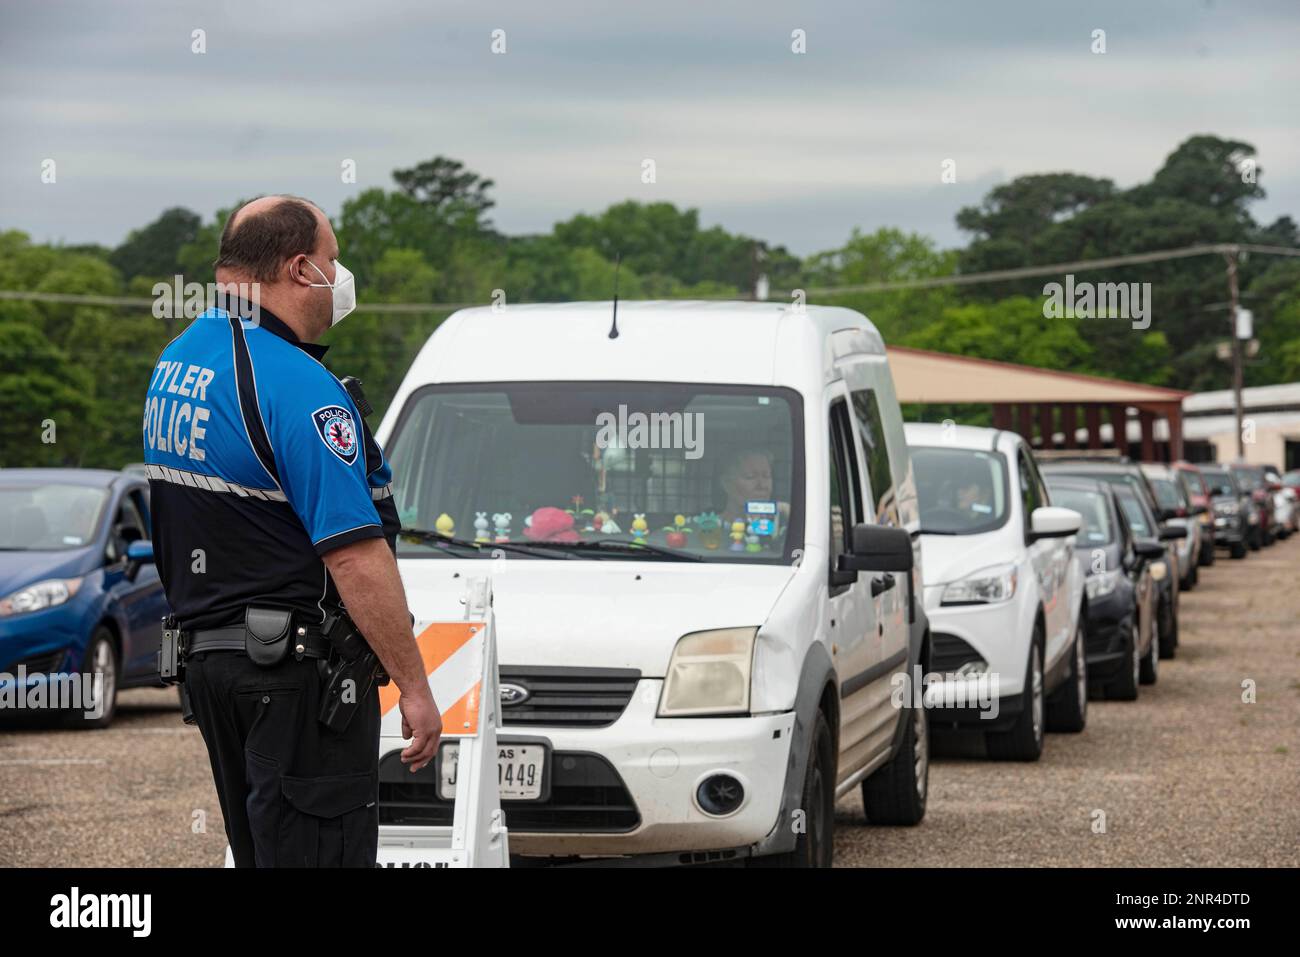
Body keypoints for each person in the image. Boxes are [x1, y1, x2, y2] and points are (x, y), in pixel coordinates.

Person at [142, 195, 441, 867]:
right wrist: (414, 686)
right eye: (334, 260)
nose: (341, 276)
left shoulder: (178, 364)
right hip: (296, 676)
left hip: (213, 666)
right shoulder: (302, 388)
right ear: (301, 269)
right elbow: (356, 557)